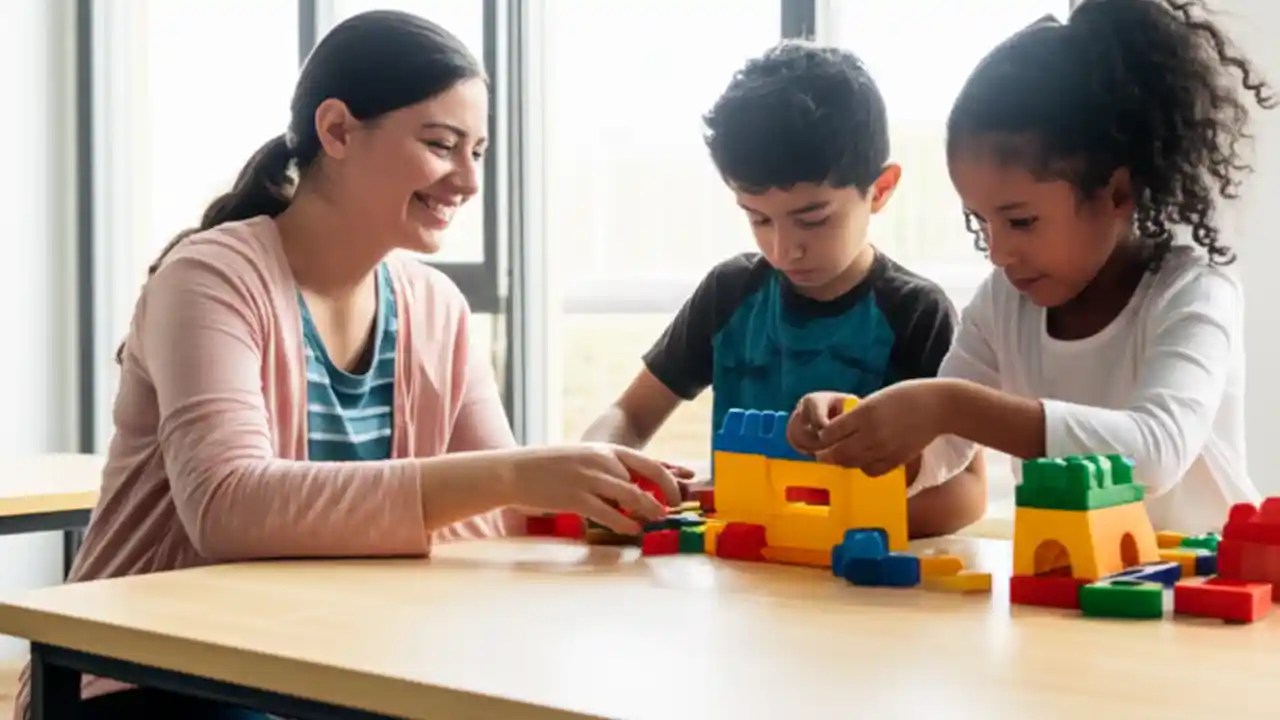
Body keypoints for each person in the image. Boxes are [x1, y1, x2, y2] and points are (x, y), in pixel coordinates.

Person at [13, 11, 680, 720]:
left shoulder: (435, 307)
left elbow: (496, 514)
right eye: (440, 144)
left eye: (477, 152)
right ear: (336, 131)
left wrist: (599, 493)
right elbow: (228, 509)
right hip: (148, 677)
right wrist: (513, 477)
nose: (468, 181)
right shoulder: (210, 277)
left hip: (320, 662)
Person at [788, 0, 1272, 535]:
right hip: (1070, 592)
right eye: (981, 223)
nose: (997, 252)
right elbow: (941, 448)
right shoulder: (1004, 303)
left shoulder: (1194, 293)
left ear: (1118, 192)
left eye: (1020, 221)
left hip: (1210, 599)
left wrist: (948, 405)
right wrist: (857, 432)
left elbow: (1155, 453)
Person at [582, 41, 987, 537]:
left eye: (812, 219)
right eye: (758, 218)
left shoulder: (915, 312)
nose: (783, 249)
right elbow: (630, 413)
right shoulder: (730, 293)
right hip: (740, 579)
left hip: (855, 584)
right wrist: (599, 469)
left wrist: (818, 522)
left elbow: (968, 490)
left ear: (879, 190)